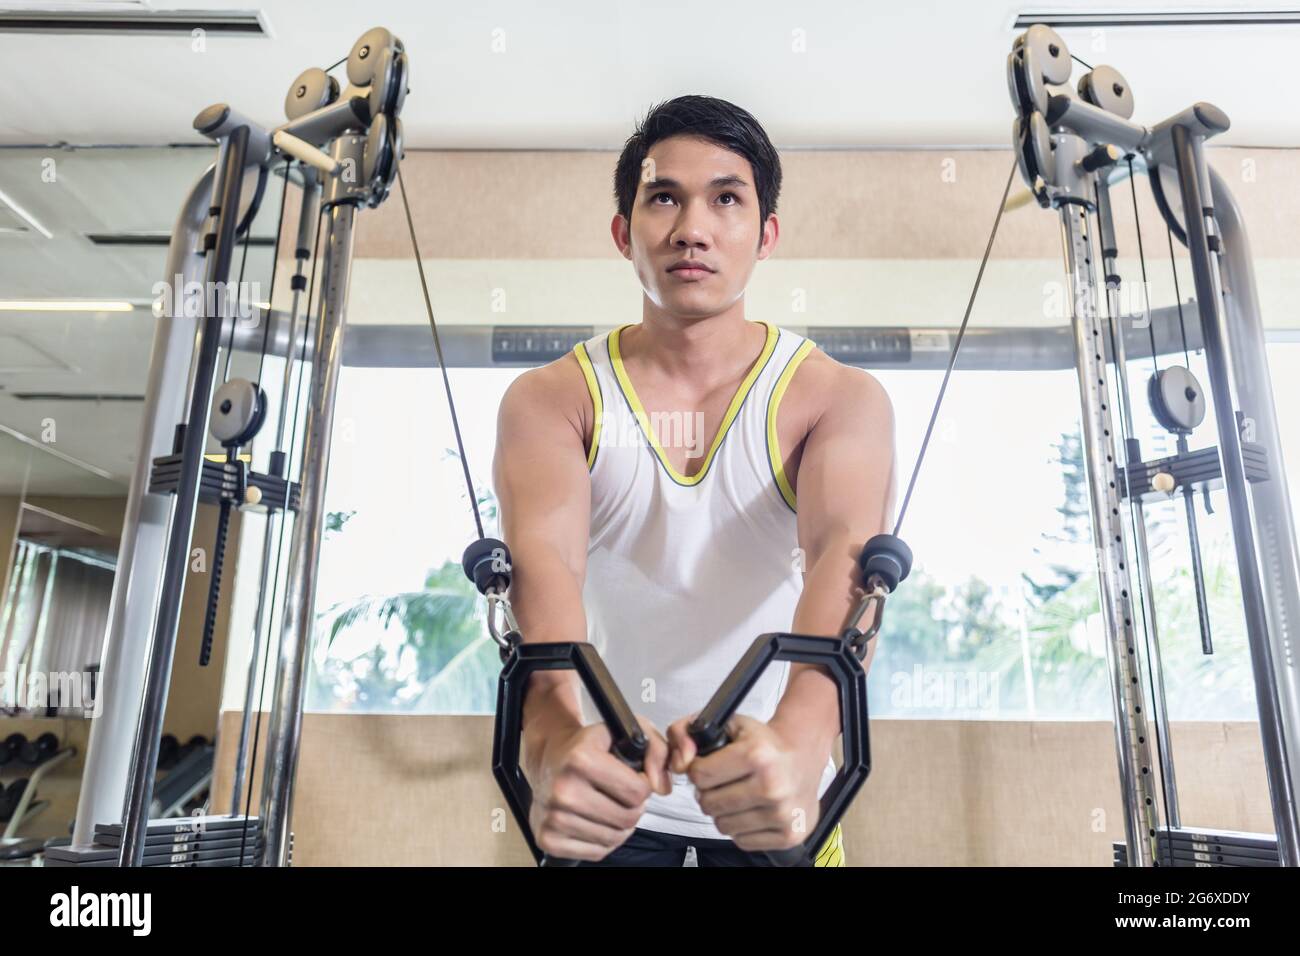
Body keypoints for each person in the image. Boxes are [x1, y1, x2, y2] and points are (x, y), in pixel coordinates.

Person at [492, 94, 896, 866]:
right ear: (624, 232)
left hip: (773, 795)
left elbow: (844, 567)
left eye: (726, 198)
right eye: (663, 197)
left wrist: (801, 752)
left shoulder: (837, 400)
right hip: (609, 798)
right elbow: (543, 596)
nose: (692, 229)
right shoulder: (550, 402)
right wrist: (549, 752)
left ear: (765, 234)